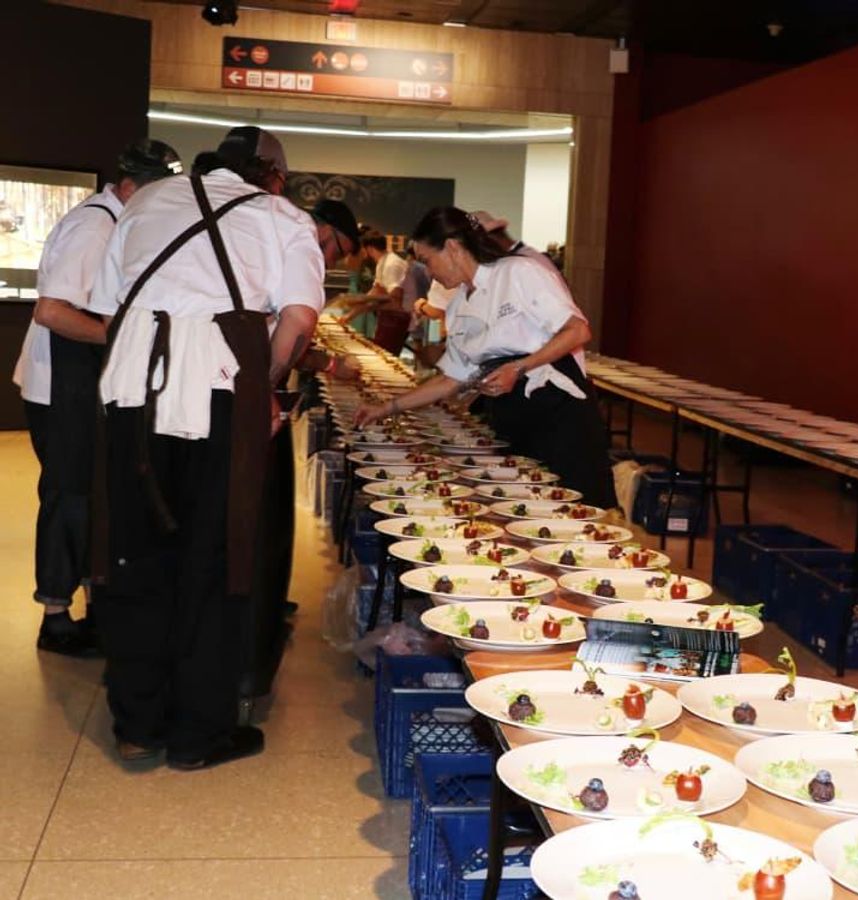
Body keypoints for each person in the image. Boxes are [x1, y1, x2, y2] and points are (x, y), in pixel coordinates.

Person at [88, 125, 325, 769]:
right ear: (272, 177)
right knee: (216, 559)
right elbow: (298, 321)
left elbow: (111, 309)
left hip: (134, 393)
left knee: (134, 556)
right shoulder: (281, 217)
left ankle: (138, 723)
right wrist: (265, 388)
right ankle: (198, 733)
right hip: (219, 394)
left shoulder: (146, 201)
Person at [12, 138, 182, 656]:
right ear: (132, 186)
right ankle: (56, 616)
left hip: (82, 384)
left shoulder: (116, 222)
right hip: (60, 385)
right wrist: (124, 335)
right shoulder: (95, 227)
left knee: (87, 496)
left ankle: (86, 603)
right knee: (68, 497)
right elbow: (51, 311)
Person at [354, 207, 617, 508]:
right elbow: (449, 379)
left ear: (452, 247)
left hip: (558, 412)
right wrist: (385, 408)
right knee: (526, 505)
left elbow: (578, 331)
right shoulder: (457, 307)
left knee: (576, 505)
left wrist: (517, 368)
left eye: (428, 261)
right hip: (512, 413)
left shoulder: (518, 272)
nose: (429, 272)